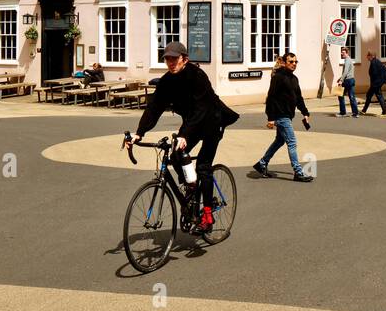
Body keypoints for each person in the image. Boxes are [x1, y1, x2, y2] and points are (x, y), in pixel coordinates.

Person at [128, 41, 240, 226]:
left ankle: (207, 213)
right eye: (167, 59)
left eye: (174, 59)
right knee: (176, 155)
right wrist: (139, 133)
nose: (170, 63)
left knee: (203, 166)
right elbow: (154, 108)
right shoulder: (166, 81)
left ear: (185, 59)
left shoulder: (197, 76)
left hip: (213, 120)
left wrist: (184, 135)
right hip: (193, 123)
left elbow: (201, 108)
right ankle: (191, 184)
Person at [254, 51, 314, 182]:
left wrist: (305, 112)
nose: (294, 64)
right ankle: (298, 172)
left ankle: (262, 163)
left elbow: (299, 97)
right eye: (291, 62)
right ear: (284, 63)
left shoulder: (294, 79)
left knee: (280, 141)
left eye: (295, 62)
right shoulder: (278, 77)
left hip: (288, 115)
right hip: (281, 115)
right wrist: (270, 117)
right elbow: (271, 98)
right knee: (292, 142)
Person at [361, 51, 386, 116]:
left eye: (368, 55)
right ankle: (384, 111)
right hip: (378, 83)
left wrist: (374, 84)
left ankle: (364, 110)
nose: (367, 57)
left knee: (370, 95)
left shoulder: (373, 62)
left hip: (375, 84)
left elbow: (374, 74)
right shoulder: (377, 61)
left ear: (372, 56)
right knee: (377, 96)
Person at [336, 46, 359, 118]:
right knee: (352, 97)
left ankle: (343, 112)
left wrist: (341, 80)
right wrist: (340, 78)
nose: (341, 54)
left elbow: (345, 71)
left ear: (347, 53)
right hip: (351, 80)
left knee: (340, 95)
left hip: (347, 81)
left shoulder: (347, 60)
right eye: (341, 52)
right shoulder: (349, 60)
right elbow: (348, 72)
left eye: (343, 52)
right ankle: (355, 113)